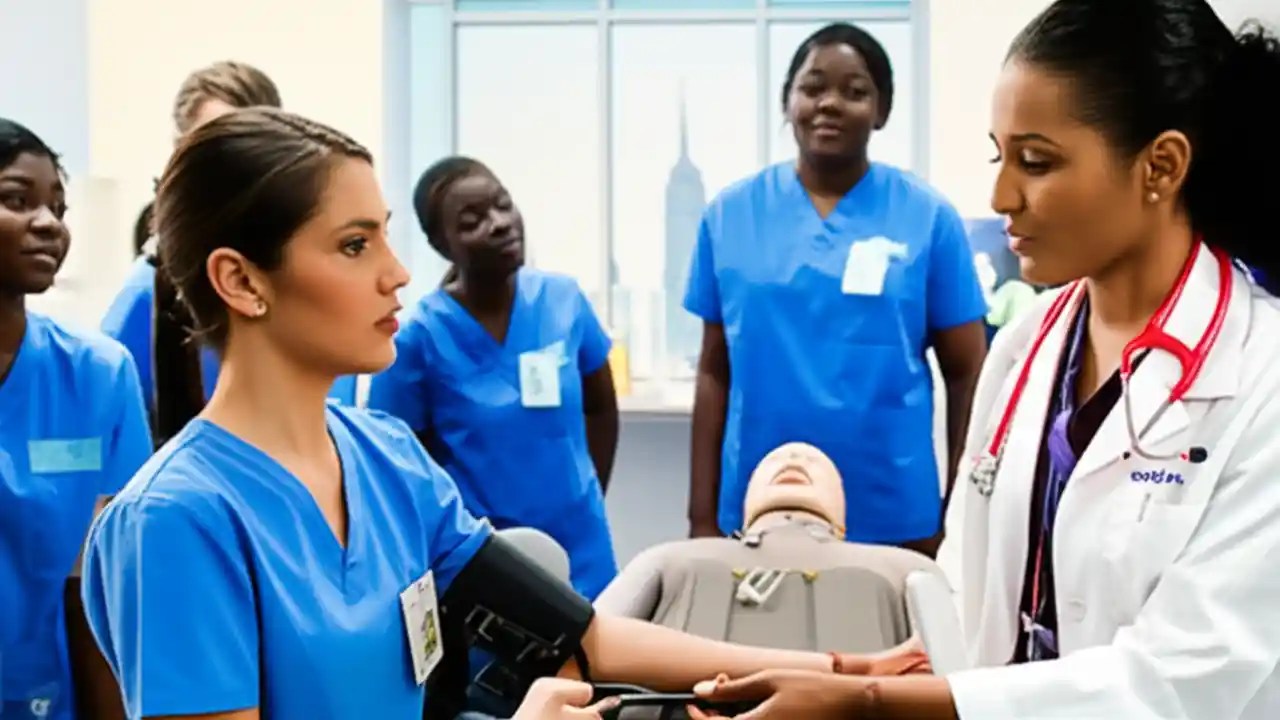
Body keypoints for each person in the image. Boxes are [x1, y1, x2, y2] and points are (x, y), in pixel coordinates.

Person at [79, 107, 916, 720]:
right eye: (353, 245)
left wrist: (836, 670)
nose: (398, 272)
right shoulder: (180, 520)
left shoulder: (384, 458)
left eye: (386, 237)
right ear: (242, 280)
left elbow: (587, 638)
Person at [690, 2, 1280, 718]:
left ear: (1160, 165)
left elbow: (1180, 679)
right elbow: (971, 608)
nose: (1002, 197)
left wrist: (872, 702)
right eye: (999, 156)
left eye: (1036, 162)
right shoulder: (1025, 351)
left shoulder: (1260, 376)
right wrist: (900, 667)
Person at [683, 22, 988, 558]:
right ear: (788, 102)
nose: (829, 103)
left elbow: (969, 372)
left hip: (895, 509)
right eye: (813, 87)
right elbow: (714, 370)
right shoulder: (729, 216)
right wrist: (701, 518)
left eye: (855, 91)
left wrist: (959, 509)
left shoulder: (927, 217)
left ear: (882, 110)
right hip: (758, 506)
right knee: (760, 642)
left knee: (894, 643)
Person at [367, 156, 620, 600]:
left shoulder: (563, 301)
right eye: (473, 221)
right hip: (485, 564)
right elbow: (397, 465)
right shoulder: (420, 338)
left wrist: (585, 496)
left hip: (584, 554)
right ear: (442, 245)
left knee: (600, 663)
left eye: (503, 205)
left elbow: (601, 406)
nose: (499, 223)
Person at [98, 60, 354, 440]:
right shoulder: (148, 296)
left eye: (253, 145)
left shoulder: (316, 272)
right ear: (182, 155)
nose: (239, 165)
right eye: (218, 147)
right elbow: (114, 446)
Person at [0, 118, 151, 720]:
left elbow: (98, 584)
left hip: (49, 697)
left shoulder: (97, 374)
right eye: (17, 200)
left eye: (57, 207)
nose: (48, 223)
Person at [597, 442, 941, 658]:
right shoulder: (668, 561)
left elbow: (962, 680)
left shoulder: (905, 570)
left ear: (844, 519)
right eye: (774, 461)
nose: (794, 455)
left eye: (815, 463)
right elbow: (582, 649)